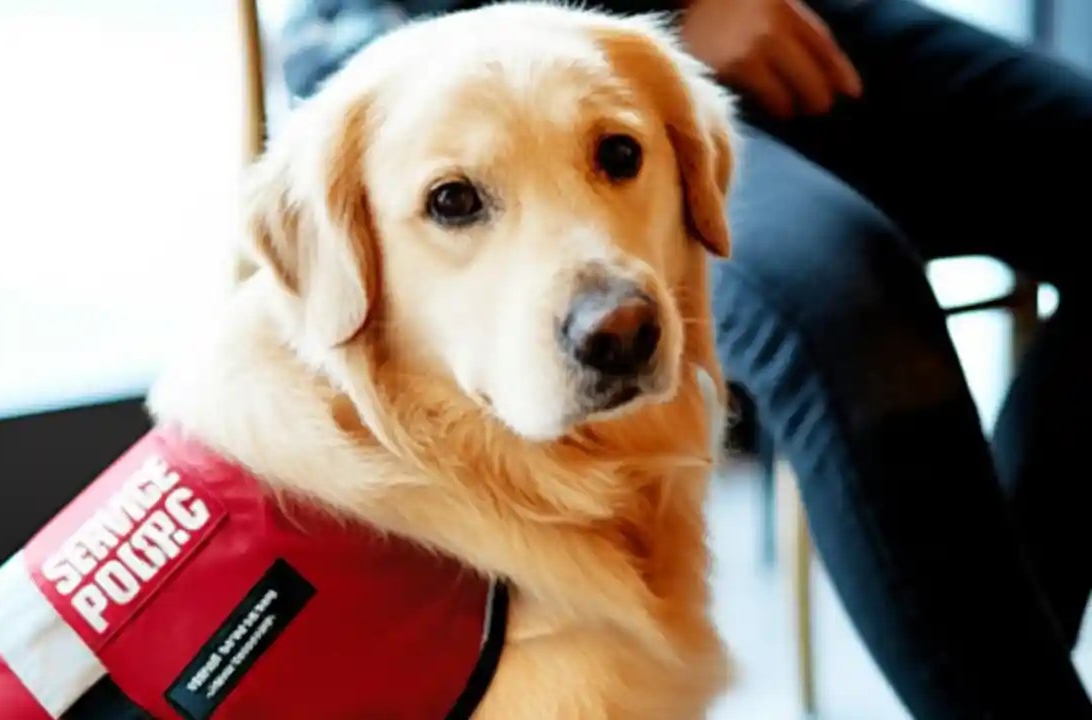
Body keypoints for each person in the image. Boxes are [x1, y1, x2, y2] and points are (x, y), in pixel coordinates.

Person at [277, 0, 1092, 716]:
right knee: (845, 298)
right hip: (491, 47)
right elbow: (341, 48)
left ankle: (997, 664)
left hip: (774, 20)